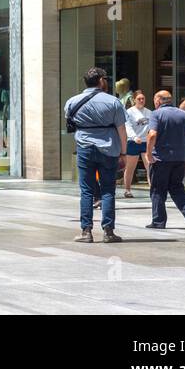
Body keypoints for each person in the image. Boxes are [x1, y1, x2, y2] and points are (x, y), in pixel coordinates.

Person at [63, 67, 128, 243]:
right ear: (100, 81)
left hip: (84, 148)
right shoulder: (113, 102)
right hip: (109, 149)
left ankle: (86, 231)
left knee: (86, 190)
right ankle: (108, 231)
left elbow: (70, 123)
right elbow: (122, 130)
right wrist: (124, 152)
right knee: (108, 190)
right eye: (105, 79)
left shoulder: (72, 102)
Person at [144, 90, 185, 232]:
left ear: (158, 101)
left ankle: (158, 221)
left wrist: (149, 154)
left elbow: (152, 134)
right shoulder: (182, 114)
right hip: (179, 158)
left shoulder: (156, 114)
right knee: (177, 187)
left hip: (160, 159)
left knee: (157, 189)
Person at [122, 90, 152, 198]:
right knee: (130, 167)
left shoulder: (149, 112)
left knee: (149, 166)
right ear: (134, 100)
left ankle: (152, 189)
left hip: (146, 142)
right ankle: (127, 190)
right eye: (139, 99)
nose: (141, 100)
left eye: (143, 98)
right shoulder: (129, 112)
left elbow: (151, 127)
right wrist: (135, 137)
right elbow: (127, 126)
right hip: (133, 142)